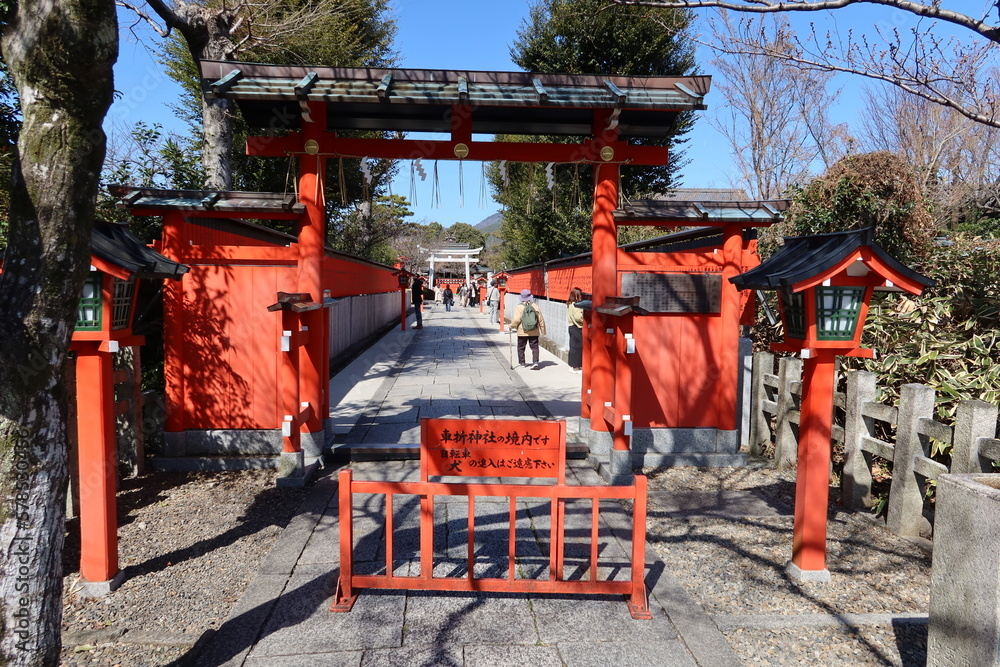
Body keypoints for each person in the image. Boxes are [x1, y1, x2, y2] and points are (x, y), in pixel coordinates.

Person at [511, 288, 546, 370]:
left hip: (522, 331)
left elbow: (516, 319)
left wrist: (511, 326)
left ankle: (522, 362)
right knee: (534, 347)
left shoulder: (519, 307)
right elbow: (540, 319)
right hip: (534, 331)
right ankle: (535, 362)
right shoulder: (535, 306)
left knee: (521, 347)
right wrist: (543, 330)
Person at [566, 287, 584, 372]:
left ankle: (572, 365)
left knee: (573, 347)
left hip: (571, 327)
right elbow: (578, 317)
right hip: (577, 328)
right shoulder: (576, 305)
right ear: (577, 296)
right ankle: (576, 366)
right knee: (578, 347)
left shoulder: (570, 304)